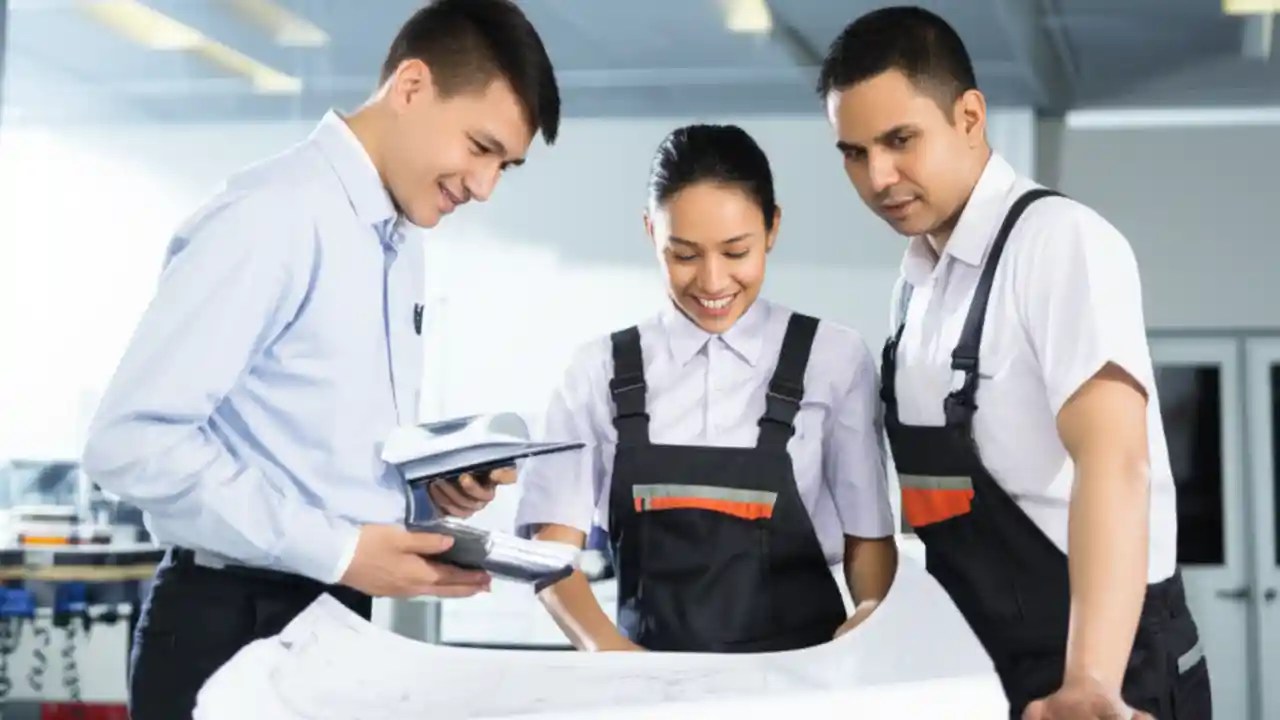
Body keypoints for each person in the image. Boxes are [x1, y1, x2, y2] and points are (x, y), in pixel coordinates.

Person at [79, 1, 559, 717]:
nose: (486, 185)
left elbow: (317, 447)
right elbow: (130, 443)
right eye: (480, 147)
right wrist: (338, 549)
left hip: (332, 622)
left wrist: (429, 490)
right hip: (231, 626)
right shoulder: (274, 215)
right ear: (411, 87)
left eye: (505, 166)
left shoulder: (399, 239)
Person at [816, 7, 1210, 720]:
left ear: (969, 116)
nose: (878, 176)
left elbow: (1116, 462)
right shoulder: (916, 285)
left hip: (1099, 670)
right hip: (981, 664)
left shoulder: (1059, 243)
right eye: (853, 152)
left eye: (900, 140)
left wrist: (1090, 681)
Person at [514, 123, 898, 653]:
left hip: (803, 687)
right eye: (684, 255)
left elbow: (868, 537)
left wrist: (870, 617)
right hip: (648, 687)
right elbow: (551, 553)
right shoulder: (596, 371)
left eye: (736, 252)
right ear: (652, 233)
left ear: (772, 229)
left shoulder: (833, 358)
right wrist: (614, 657)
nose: (713, 282)